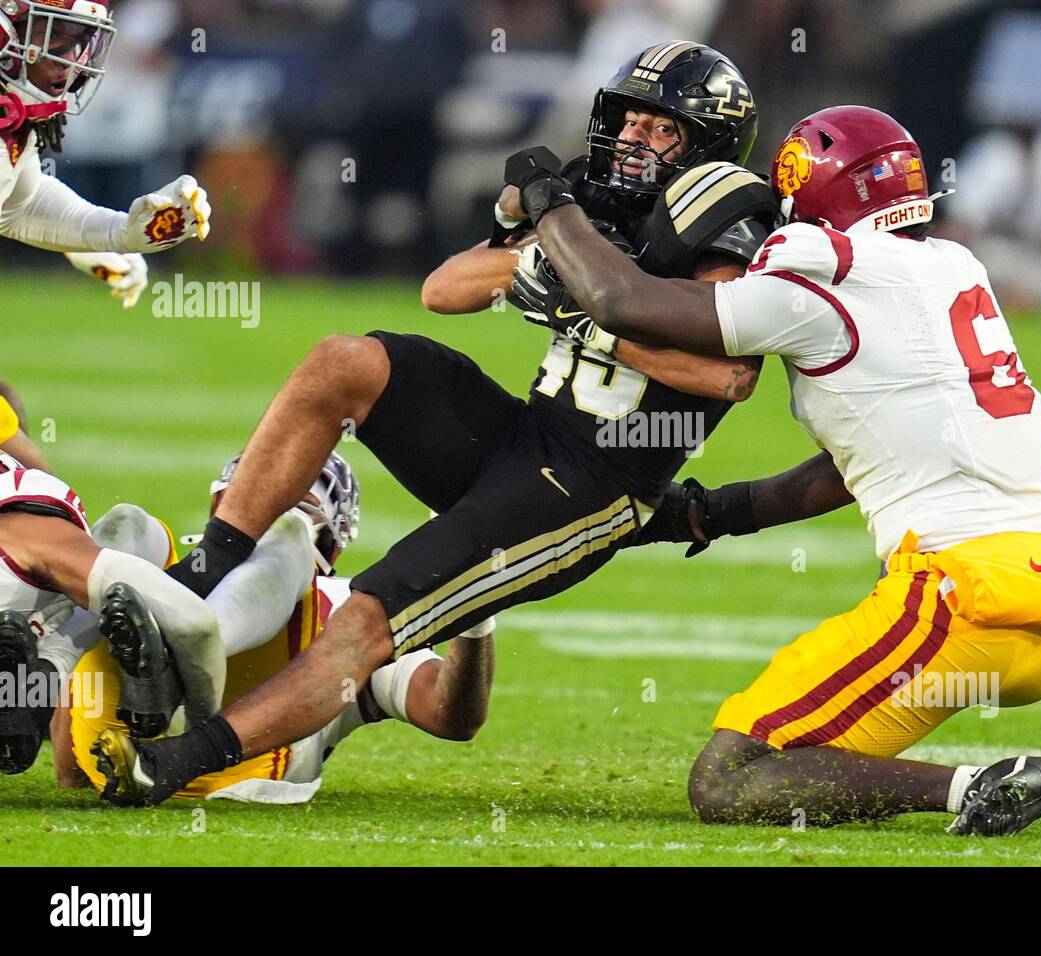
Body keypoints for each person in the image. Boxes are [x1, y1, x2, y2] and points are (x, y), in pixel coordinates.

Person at [91, 42, 779, 808]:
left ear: (708, 145)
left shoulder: (731, 224)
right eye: (631, 121)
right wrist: (541, 266)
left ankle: (185, 758)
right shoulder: (591, 197)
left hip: (590, 483)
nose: (634, 142)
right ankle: (207, 572)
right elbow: (445, 288)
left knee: (367, 616)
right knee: (345, 361)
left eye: (662, 130)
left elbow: (726, 374)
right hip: (525, 435)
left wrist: (589, 311)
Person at [496, 105, 1041, 835]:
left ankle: (980, 788)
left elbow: (622, 301)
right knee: (804, 761)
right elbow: (853, 463)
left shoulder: (826, 277)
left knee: (728, 780)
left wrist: (552, 204)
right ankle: (967, 787)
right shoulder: (952, 268)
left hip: (961, 605)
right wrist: (708, 513)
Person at [73, 452, 494, 804]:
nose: (269, 515)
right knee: (131, 527)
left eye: (293, 504)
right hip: (114, 757)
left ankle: (178, 647)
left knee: (281, 540)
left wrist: (472, 609)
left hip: (231, 775)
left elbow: (450, 714)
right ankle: (47, 656)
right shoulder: (165, 570)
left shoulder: (347, 608)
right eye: (257, 502)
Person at [0, 451, 223, 775]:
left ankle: (40, 677)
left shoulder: (32, 538)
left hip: (30, 600)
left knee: (130, 530)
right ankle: (50, 668)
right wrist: (199, 736)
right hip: (38, 586)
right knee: (133, 528)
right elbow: (195, 624)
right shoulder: (35, 537)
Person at [1, 0, 210, 307]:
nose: (72, 60)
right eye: (56, 35)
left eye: (82, 40)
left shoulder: (15, 116)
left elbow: (18, 205)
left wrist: (119, 232)